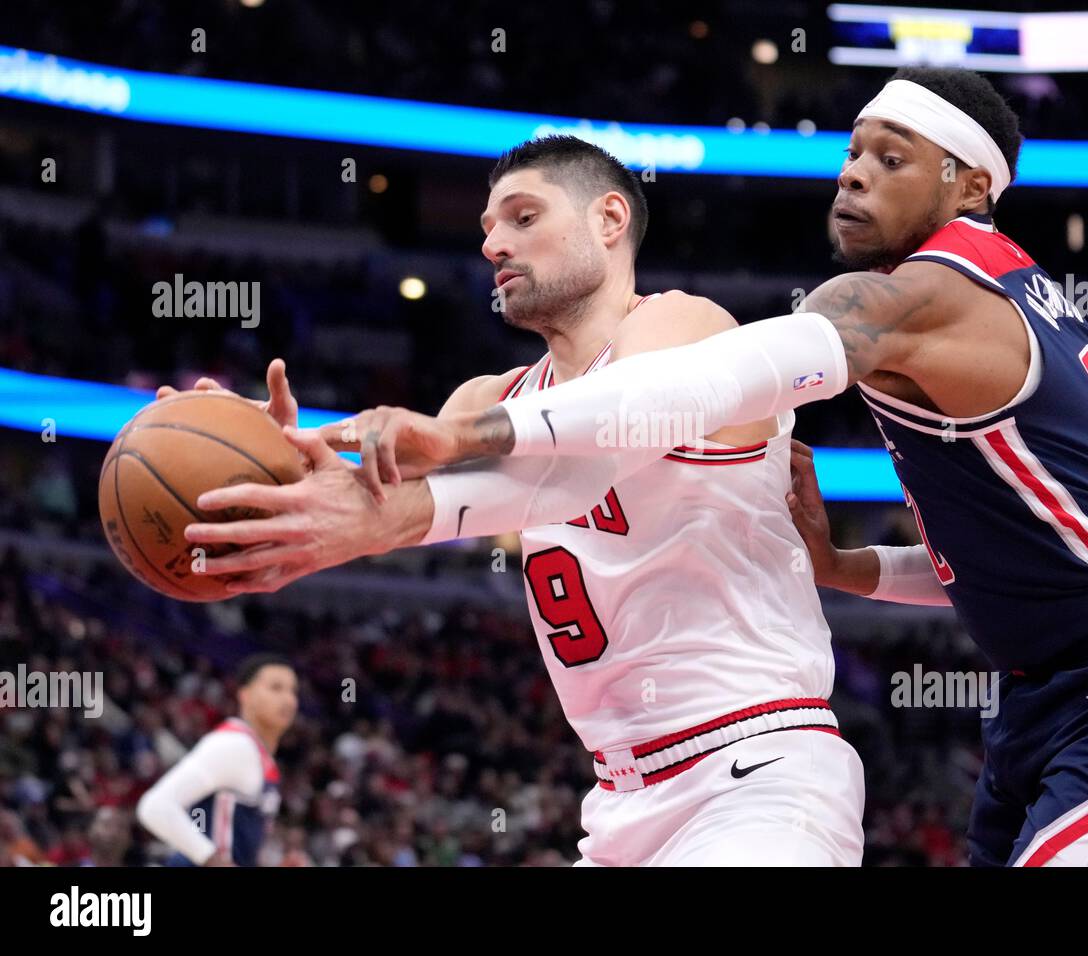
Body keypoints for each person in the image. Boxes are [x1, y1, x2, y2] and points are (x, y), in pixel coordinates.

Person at [325, 68, 1088, 867]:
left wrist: (473, 436)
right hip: (1038, 690)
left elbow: (708, 382)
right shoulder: (977, 298)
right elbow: (1018, 559)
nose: (853, 174)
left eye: (890, 158)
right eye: (852, 153)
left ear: (970, 184)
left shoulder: (924, 295)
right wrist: (844, 567)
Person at [164, 136, 865, 866]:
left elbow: (606, 435)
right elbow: (372, 501)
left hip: (755, 775)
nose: (494, 243)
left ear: (610, 219)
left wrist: (437, 457)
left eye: (523, 217)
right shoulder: (489, 398)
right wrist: (268, 455)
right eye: (488, 228)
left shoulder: (682, 324)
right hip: (619, 802)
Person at [136, 654, 296, 867]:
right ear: (245, 695)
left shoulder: (260, 755)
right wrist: (212, 859)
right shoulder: (233, 744)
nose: (288, 699)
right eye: (276, 688)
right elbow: (155, 807)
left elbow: (234, 844)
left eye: (293, 691)